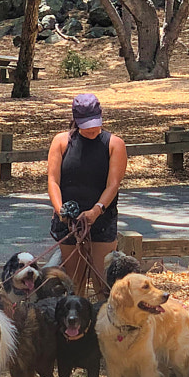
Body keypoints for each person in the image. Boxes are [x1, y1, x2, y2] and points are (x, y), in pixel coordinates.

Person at [46, 93, 127, 298]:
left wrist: (96, 210)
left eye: (94, 123)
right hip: (70, 220)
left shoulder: (114, 144)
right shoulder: (61, 142)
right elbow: (53, 181)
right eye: (85, 124)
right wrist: (60, 211)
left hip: (101, 219)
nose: (91, 129)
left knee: (103, 284)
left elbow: (113, 184)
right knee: (75, 285)